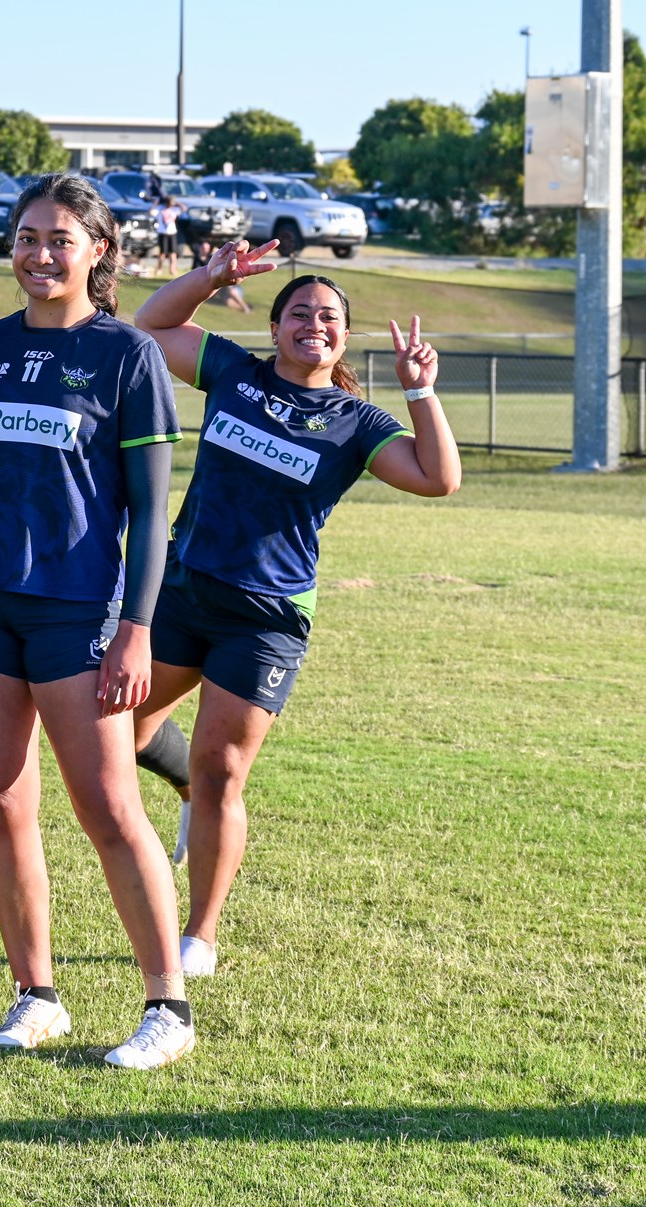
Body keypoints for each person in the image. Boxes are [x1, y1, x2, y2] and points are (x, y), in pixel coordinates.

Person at [132, 241, 462, 978]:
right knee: (119, 734)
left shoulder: (356, 421)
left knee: (223, 770)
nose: (315, 324)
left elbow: (437, 478)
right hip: (182, 590)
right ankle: (183, 787)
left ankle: (199, 936)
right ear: (275, 328)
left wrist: (420, 391)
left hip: (266, 618)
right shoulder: (234, 374)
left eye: (329, 317)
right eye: (300, 313)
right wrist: (211, 277)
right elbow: (152, 327)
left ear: (344, 336)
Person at [0, 173, 195, 1070]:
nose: (39, 254)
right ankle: (36, 995)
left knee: (110, 807)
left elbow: (152, 512)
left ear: (98, 251)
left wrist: (137, 629)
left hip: (77, 611)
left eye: (59, 239)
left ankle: (168, 1007)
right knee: (2, 804)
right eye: (27, 237)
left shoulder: (128, 356)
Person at [193, 241, 251, 312]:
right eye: (203, 248)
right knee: (227, 302)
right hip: (216, 285)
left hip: (228, 285)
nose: (205, 250)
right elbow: (194, 271)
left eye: (207, 248)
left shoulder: (212, 258)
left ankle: (245, 307)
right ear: (200, 248)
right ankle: (244, 307)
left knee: (230, 291)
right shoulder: (197, 258)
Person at [154, 196, 181, 277]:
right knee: (162, 252)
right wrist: (155, 202)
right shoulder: (160, 209)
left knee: (173, 253)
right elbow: (152, 212)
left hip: (172, 233)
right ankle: (159, 269)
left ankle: (172, 269)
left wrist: (177, 203)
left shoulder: (175, 209)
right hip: (163, 233)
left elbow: (184, 208)